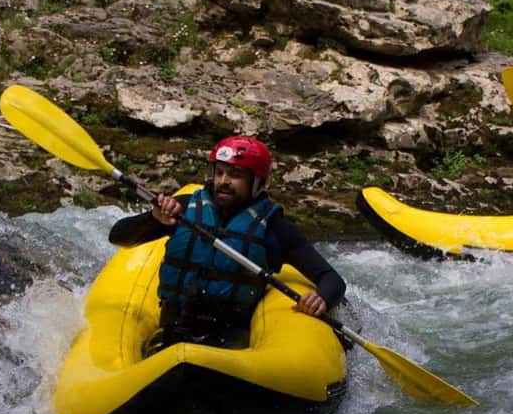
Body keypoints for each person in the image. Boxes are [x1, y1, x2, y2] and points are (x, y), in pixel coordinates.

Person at [109, 136, 346, 353]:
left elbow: (331, 279)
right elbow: (119, 237)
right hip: (174, 329)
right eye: (219, 172)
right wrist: (154, 218)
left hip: (230, 340)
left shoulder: (274, 228)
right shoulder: (183, 209)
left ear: (257, 182)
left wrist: (321, 298)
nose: (224, 181)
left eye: (235, 175)